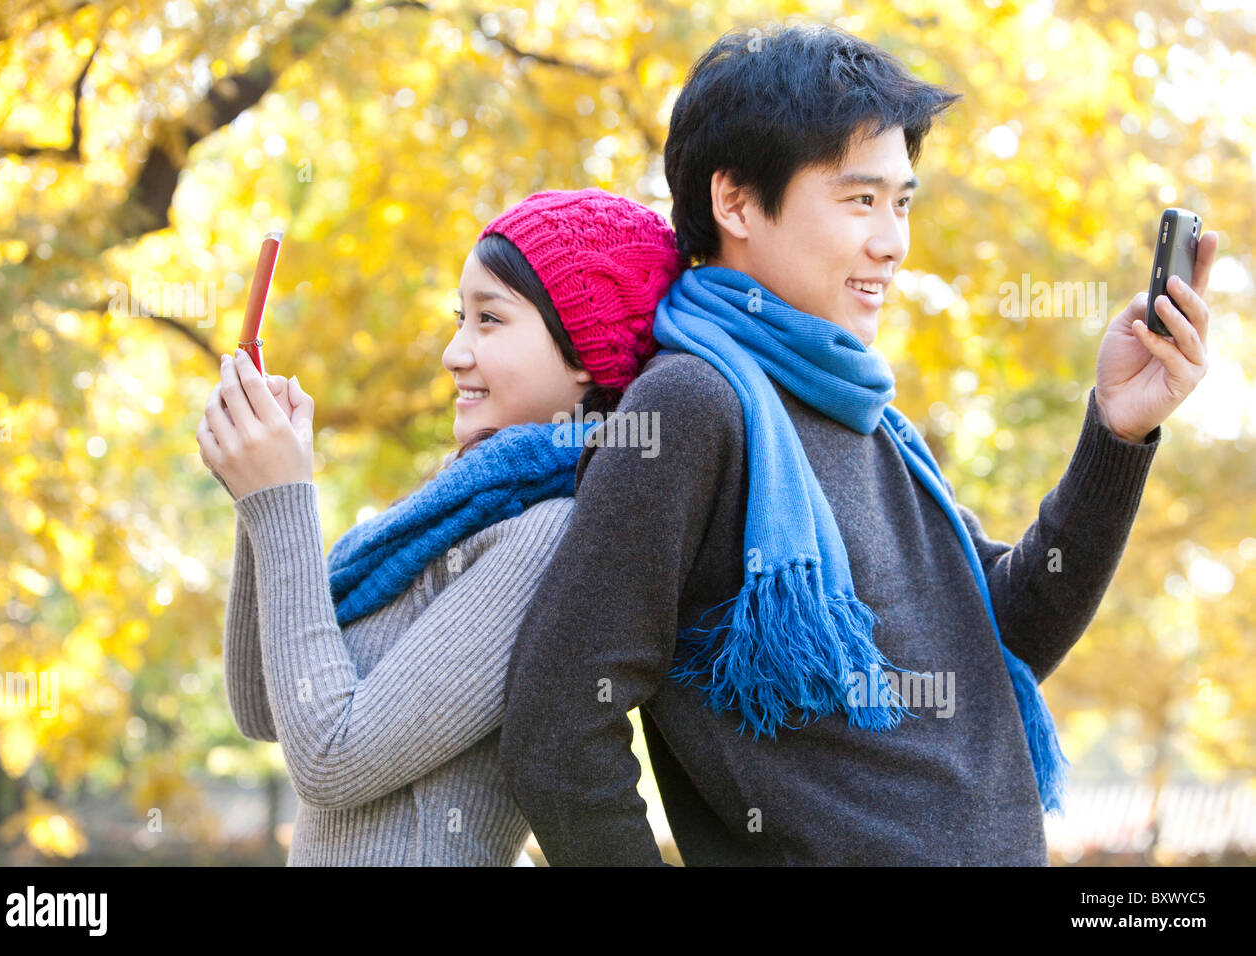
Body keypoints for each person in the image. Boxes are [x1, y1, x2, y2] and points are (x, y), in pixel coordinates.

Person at [498, 23, 1217, 865]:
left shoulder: (870, 417)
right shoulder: (692, 406)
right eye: (859, 199)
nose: (892, 240)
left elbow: (1010, 634)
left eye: (902, 201)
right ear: (734, 202)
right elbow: (555, 730)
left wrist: (1118, 434)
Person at [195, 188, 684, 865]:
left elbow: (332, 760)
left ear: (583, 354)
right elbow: (261, 709)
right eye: (461, 317)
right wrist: (259, 497)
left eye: (490, 319)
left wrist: (282, 498)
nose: (455, 351)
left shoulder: (548, 534)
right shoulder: (453, 514)